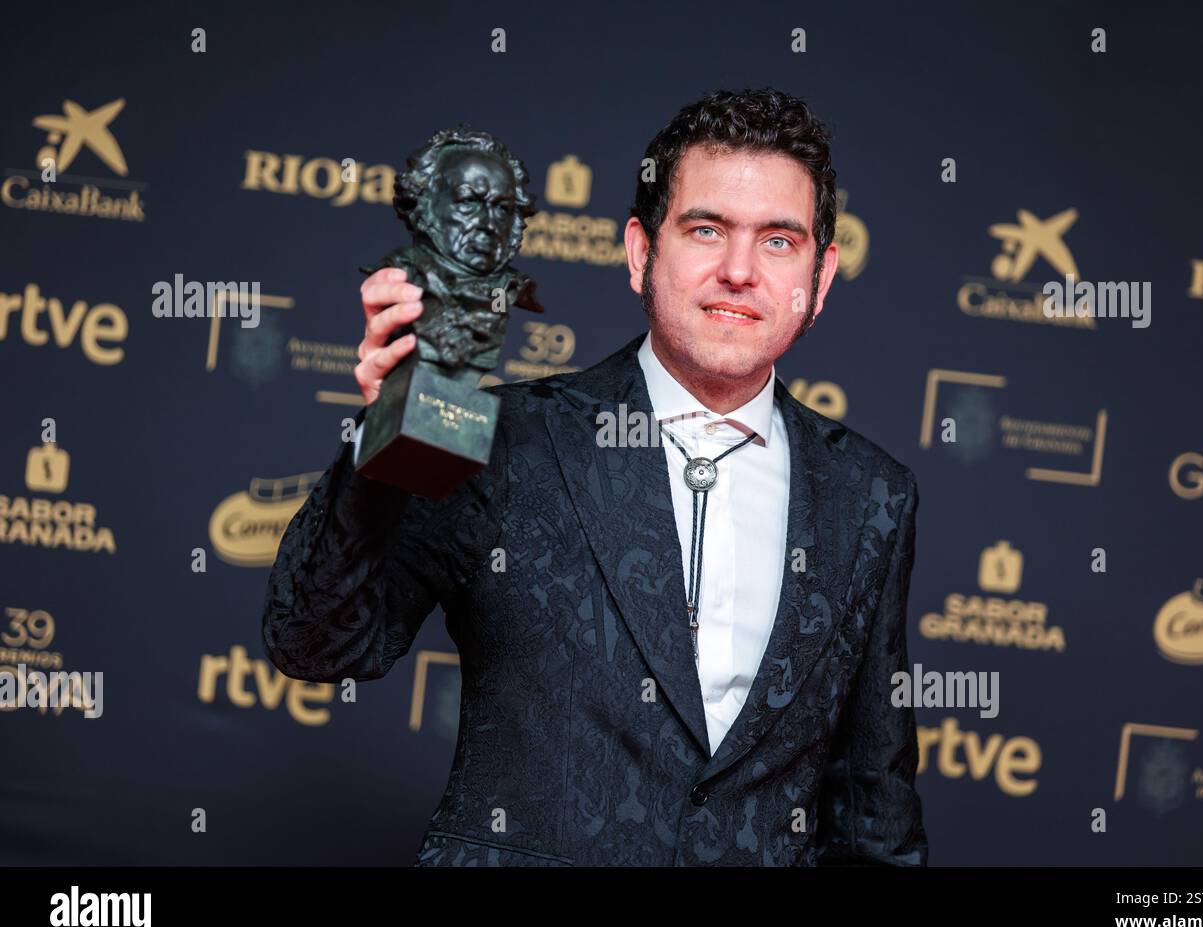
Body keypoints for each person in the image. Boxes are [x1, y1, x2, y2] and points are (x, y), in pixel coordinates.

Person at [262, 87, 927, 866]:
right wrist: (385, 433)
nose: (740, 271)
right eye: (706, 229)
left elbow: (872, 806)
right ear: (642, 251)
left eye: (779, 241)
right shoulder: (504, 440)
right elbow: (315, 643)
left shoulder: (871, 494)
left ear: (822, 274)